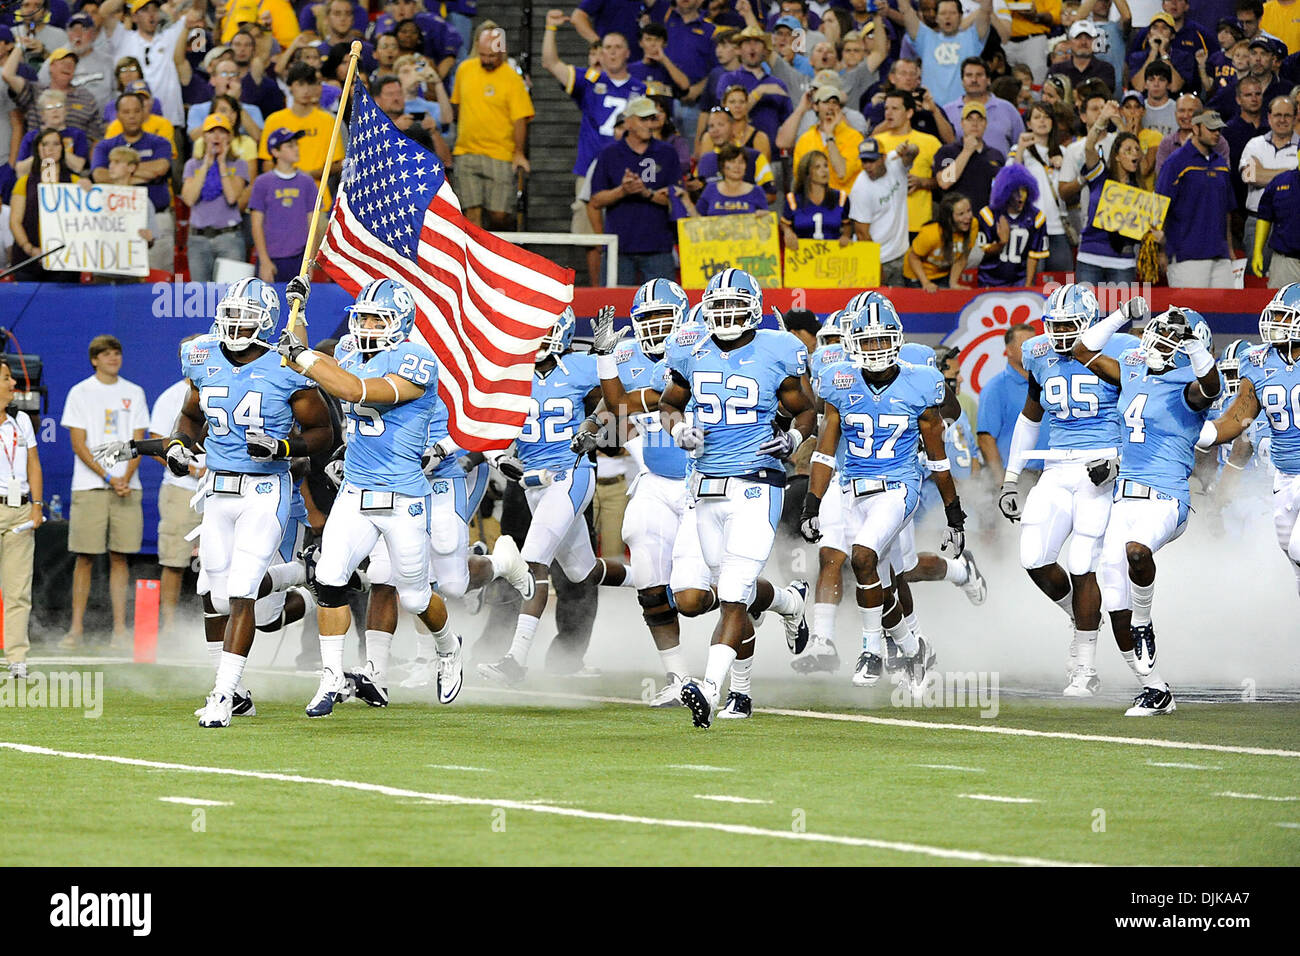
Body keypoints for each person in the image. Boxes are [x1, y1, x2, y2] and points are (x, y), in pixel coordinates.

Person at [273, 275, 469, 714]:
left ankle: (449, 645)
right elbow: (305, 364)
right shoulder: (347, 351)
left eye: (378, 320)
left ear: (400, 324)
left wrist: (301, 354)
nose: (367, 328)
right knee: (329, 576)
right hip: (356, 489)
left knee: (416, 597)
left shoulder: (417, 360)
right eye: (362, 319)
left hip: (403, 495)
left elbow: (353, 390)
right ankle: (330, 676)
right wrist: (297, 314)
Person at [659, 269, 814, 726]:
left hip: (758, 481)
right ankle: (788, 602)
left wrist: (791, 439)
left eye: (734, 307)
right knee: (727, 591)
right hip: (706, 485)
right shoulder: (691, 348)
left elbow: (806, 409)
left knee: (731, 592)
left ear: (754, 309)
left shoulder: (776, 350)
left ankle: (712, 688)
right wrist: (678, 428)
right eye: (718, 308)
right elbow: (670, 404)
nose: (726, 317)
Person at [799, 293, 968, 690]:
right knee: (884, 580)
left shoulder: (921, 380)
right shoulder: (839, 379)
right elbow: (825, 452)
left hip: (898, 486)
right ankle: (913, 649)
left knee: (862, 558)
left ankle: (871, 650)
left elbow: (939, 459)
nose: (875, 349)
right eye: (867, 340)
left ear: (897, 339)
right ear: (852, 342)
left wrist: (954, 514)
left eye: (882, 339)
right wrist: (812, 504)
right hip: (851, 487)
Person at [1073, 305, 1222, 717]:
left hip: (1168, 498)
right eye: (1159, 333)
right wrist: (1121, 314)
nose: (1160, 342)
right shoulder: (1134, 371)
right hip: (1125, 496)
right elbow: (1082, 350)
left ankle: (1145, 623)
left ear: (1190, 348)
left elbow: (1209, 387)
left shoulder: (1187, 383)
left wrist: (1191, 344)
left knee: (1137, 553)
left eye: (1173, 339)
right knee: (1114, 598)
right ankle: (1154, 688)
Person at [475, 306, 637, 687]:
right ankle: (652, 579)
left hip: (572, 474)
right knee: (583, 571)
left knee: (533, 563)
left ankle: (515, 660)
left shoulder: (580, 366)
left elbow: (618, 403)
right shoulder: (510, 374)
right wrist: (499, 458)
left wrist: (605, 361)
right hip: (533, 485)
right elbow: (486, 425)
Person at [997, 286, 1143, 697]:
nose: (1060, 334)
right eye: (1055, 325)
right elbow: (1030, 416)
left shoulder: (1122, 348)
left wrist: (1119, 460)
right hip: (1058, 466)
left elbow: (1140, 409)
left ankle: (1085, 667)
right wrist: (1011, 476)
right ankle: (1083, 618)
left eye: (1069, 326)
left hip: (1102, 468)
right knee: (1034, 557)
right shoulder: (1039, 352)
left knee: (1083, 563)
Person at [1198, 284, 1300, 594]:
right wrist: (1196, 433)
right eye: (1277, 316)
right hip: (1284, 476)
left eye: (1285, 317)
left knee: (1298, 547)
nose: (1276, 323)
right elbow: (1235, 418)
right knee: (1289, 550)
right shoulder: (1257, 361)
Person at [59, 334, 149, 650]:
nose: (114, 358)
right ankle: (76, 629)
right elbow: (78, 444)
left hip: (126, 485)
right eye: (107, 354)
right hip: (90, 486)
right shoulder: (81, 392)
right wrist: (110, 477)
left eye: (117, 353)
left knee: (120, 557)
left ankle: (120, 632)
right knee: (84, 557)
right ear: (94, 359)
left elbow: (138, 441)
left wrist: (123, 477)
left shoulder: (134, 392)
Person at [542, 11, 644, 286]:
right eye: (607, 47)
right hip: (591, 167)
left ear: (627, 53)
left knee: (628, 233)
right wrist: (550, 27)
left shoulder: (642, 87)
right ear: (601, 53)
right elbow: (550, 63)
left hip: (629, 171)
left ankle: (623, 290)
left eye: (617, 47)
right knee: (592, 237)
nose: (612, 52)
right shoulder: (589, 80)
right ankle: (600, 291)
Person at [450, 23, 534, 230]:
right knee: (471, 214)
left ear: (502, 51)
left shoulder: (512, 78)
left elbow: (520, 119)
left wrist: (519, 153)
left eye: (492, 56)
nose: (487, 60)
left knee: (499, 215)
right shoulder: (464, 69)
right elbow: (458, 106)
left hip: (500, 153)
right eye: (484, 55)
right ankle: (474, 261)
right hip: (466, 151)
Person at [590, 96, 681, 285]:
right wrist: (623, 191)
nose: (649, 124)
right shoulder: (609, 154)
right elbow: (596, 201)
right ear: (629, 122)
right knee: (614, 307)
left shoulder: (667, 153)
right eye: (643, 119)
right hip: (619, 247)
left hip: (658, 247)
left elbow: (677, 200)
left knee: (664, 306)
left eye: (652, 119)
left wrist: (645, 193)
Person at [147, 337, 203, 636]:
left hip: (219, 489)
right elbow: (158, 442)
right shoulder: (173, 396)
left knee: (220, 562)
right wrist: (190, 468)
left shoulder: (219, 386)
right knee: (174, 559)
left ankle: (214, 624)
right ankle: (168, 627)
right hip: (182, 489)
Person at [91, 91, 175, 274]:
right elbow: (98, 175)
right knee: (116, 278)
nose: (131, 116)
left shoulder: (160, 143)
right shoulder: (105, 146)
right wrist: (145, 173)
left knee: (158, 278)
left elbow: (160, 168)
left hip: (157, 218)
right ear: (118, 115)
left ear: (144, 112)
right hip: (117, 223)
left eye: (136, 111)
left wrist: (123, 174)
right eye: (126, 112)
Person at [1156, 109, 1237, 287]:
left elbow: (1226, 211)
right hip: (1186, 255)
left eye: (1219, 129)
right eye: (1211, 129)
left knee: (1225, 313)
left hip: (1220, 255)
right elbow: (1160, 207)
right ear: (1196, 128)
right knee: (1188, 313)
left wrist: (1229, 249)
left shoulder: (1221, 163)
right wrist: (1161, 251)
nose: (1217, 133)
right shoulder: (1175, 163)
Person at [1078, 108, 1159, 284]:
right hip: (1090, 257)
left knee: (1121, 312)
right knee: (1086, 312)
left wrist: (1156, 235)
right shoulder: (1100, 177)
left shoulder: (1140, 191)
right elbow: (1088, 146)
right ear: (1116, 156)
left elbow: (1148, 229)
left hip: (1123, 261)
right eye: (1128, 150)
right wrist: (1102, 120)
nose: (1135, 153)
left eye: (1137, 150)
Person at [0, 359, 44, 682]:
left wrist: (38, 505)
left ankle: (16, 658)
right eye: (6, 379)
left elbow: (33, 463)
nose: (13, 385)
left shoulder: (21, 421)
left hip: (19, 509)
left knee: (18, 590)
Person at [180, 113, 248, 283]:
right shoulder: (192, 165)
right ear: (204, 136)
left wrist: (222, 163)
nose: (216, 136)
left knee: (232, 297)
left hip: (229, 238)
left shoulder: (239, 164)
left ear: (229, 137)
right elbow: (189, 199)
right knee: (203, 297)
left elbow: (232, 197)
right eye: (211, 132)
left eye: (222, 131)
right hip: (198, 239)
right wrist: (206, 165)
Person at [1006, 102, 1073, 272]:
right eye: (1037, 117)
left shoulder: (1064, 153)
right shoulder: (1019, 150)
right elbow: (1009, 181)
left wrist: (1065, 165)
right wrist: (1021, 148)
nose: (1042, 121)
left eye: (1046, 117)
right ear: (1029, 124)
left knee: (1062, 287)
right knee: (1033, 285)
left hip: (1058, 227)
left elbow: (1074, 188)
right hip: (1031, 227)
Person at [97, 0, 187, 125]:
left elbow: (197, 12)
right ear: (134, 17)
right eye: (145, 10)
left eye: (155, 10)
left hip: (169, 121)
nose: (151, 14)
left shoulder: (170, 37)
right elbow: (103, 12)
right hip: (129, 126)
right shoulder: (123, 38)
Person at [257, 63, 344, 187]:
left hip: (317, 194)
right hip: (281, 192)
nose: (306, 90)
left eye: (310, 84)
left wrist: (310, 175)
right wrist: (289, 178)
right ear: (290, 86)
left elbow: (337, 163)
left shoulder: (328, 121)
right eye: (300, 84)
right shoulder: (274, 120)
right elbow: (267, 162)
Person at [249, 127, 318, 283]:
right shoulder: (262, 183)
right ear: (275, 152)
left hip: (299, 258)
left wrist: (309, 262)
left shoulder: (307, 182)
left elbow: (313, 224)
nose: (296, 148)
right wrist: (265, 261)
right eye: (290, 145)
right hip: (271, 258)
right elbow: (256, 224)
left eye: (296, 144)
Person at [870, 89, 943, 238]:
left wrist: (923, 182)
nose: (888, 113)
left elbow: (948, 178)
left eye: (895, 108)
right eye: (886, 108)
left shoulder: (930, 142)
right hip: (882, 224)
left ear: (909, 113)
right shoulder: (877, 142)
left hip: (917, 224)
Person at [1240, 94, 1299, 272]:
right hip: (1256, 220)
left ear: (1295, 117)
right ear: (1269, 117)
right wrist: (1290, 174)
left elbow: (1258, 176)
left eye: (1287, 115)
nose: (1282, 120)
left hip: (1292, 225)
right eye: (1277, 115)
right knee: (1256, 279)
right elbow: (1250, 176)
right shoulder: (1254, 144)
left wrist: (1264, 172)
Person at [897, 0, 994, 107]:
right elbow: (906, 10)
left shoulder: (972, 37)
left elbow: (985, 10)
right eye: (943, 13)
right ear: (937, 18)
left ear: (960, 16)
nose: (948, 17)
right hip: (932, 110)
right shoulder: (924, 37)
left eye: (952, 13)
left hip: (964, 110)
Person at [849, 138, 917, 286]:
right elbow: (862, 234)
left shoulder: (894, 161)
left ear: (884, 157)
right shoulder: (861, 188)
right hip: (881, 260)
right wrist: (876, 268)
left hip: (902, 253)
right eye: (864, 161)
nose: (867, 166)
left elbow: (913, 152)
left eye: (872, 161)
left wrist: (908, 148)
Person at [977, 323, 1039, 483]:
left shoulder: (1048, 381)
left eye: (1034, 343)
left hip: (1053, 473)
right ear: (1009, 350)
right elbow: (986, 439)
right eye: (1025, 345)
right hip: (1019, 476)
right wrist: (1002, 484)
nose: (1031, 349)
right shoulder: (995, 388)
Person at [976, 163, 1048, 287]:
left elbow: (1033, 255)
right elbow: (981, 253)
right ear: (1006, 191)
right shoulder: (989, 215)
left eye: (1024, 190)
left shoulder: (1036, 217)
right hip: (990, 281)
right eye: (1016, 191)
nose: (1021, 197)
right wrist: (1001, 243)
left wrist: (1028, 284)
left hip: (1019, 280)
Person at [783, 85, 863, 193]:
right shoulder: (805, 140)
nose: (831, 107)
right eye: (825, 102)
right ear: (815, 106)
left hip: (844, 203)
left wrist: (829, 135)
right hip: (814, 203)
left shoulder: (854, 137)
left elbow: (842, 173)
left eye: (834, 102)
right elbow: (800, 179)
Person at [942, 57, 1025, 158]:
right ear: (962, 81)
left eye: (979, 75)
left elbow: (1021, 147)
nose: (974, 80)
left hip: (1000, 171)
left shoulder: (1008, 109)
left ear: (988, 80)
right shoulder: (947, 111)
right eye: (969, 75)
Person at [934, 100, 1005, 213]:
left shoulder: (995, 155)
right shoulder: (947, 151)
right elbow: (945, 182)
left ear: (985, 124)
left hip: (985, 221)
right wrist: (967, 151)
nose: (974, 124)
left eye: (979, 119)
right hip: (954, 221)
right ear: (962, 123)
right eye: (969, 119)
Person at [903, 191, 977, 291]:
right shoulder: (931, 234)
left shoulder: (973, 225)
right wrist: (926, 283)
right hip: (917, 275)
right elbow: (913, 257)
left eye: (969, 211)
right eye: (961, 214)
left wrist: (953, 284)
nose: (968, 217)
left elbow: (962, 257)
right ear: (948, 218)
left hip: (943, 273)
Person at [781, 148, 852, 248]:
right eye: (817, 167)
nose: (824, 171)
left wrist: (845, 236)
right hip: (803, 257)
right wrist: (788, 232)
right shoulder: (793, 200)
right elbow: (784, 223)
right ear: (807, 173)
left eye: (826, 166)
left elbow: (847, 224)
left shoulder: (840, 197)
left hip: (833, 258)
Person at [1254, 150, 1300, 285]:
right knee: (1281, 303)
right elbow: (1264, 216)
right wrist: (1257, 251)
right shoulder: (1281, 182)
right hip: (1285, 262)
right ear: (1297, 153)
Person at [685, 141, 767, 215]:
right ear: (722, 166)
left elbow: (768, 222)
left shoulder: (757, 191)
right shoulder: (711, 189)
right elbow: (697, 220)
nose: (737, 166)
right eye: (732, 162)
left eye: (741, 162)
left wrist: (763, 216)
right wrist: (685, 200)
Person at [1049, 19, 1117, 92]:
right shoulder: (1057, 69)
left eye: (1088, 38)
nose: (1083, 42)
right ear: (1070, 41)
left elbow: (1105, 95)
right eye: (1078, 37)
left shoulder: (1105, 69)